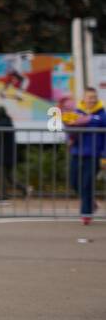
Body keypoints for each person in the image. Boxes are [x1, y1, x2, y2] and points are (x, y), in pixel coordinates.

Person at [65, 87, 105, 224]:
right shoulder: (76, 112)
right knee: (74, 182)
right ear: (84, 98)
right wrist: (69, 135)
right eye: (89, 97)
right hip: (77, 152)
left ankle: (86, 214)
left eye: (94, 97)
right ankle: (91, 203)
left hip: (93, 154)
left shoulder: (102, 114)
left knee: (87, 184)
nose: (92, 100)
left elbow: (103, 132)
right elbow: (68, 129)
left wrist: (104, 155)